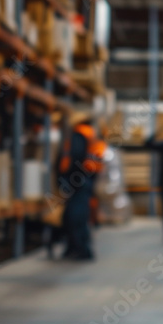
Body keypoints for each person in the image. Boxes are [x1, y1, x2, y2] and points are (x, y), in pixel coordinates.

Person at [57, 111, 106, 261]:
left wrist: (67, 180)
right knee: (76, 216)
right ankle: (74, 248)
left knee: (75, 217)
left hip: (78, 181)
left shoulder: (80, 135)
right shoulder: (90, 134)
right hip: (85, 179)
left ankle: (81, 249)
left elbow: (75, 157)